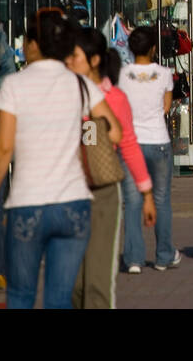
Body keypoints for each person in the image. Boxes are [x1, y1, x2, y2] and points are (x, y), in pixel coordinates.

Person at [0, 9, 122, 309]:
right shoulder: (80, 85)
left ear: (33, 44)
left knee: (21, 295)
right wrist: (79, 136)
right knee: (59, 298)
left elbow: (4, 147)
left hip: (27, 204)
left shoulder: (14, 85)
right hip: (74, 204)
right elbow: (115, 132)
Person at [67, 28, 156, 309]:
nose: (68, 61)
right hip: (64, 192)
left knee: (96, 277)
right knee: (71, 280)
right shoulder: (62, 94)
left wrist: (146, 193)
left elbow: (127, 143)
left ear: (93, 60)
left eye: (74, 55)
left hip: (102, 191)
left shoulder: (113, 98)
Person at [116, 26, 181, 272]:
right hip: (159, 141)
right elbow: (166, 107)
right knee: (162, 200)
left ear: (130, 49)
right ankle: (164, 255)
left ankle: (133, 258)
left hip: (130, 143)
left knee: (132, 201)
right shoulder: (164, 73)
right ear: (153, 48)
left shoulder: (122, 75)